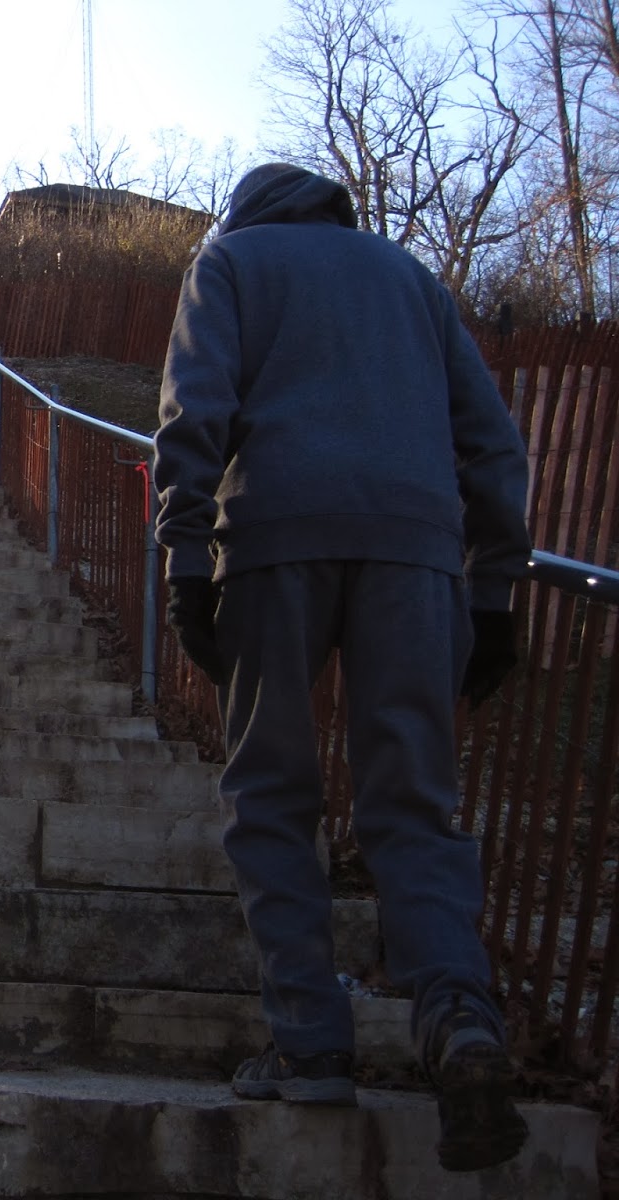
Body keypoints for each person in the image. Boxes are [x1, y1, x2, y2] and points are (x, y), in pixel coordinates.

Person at [151, 162, 531, 1175]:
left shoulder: (230, 263)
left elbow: (194, 410)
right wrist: (494, 590)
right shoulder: (410, 277)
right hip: (416, 553)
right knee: (413, 802)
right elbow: (492, 442)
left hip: (273, 540)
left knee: (272, 794)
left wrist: (185, 560)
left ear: (243, 214)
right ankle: (460, 1021)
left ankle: (311, 1044)